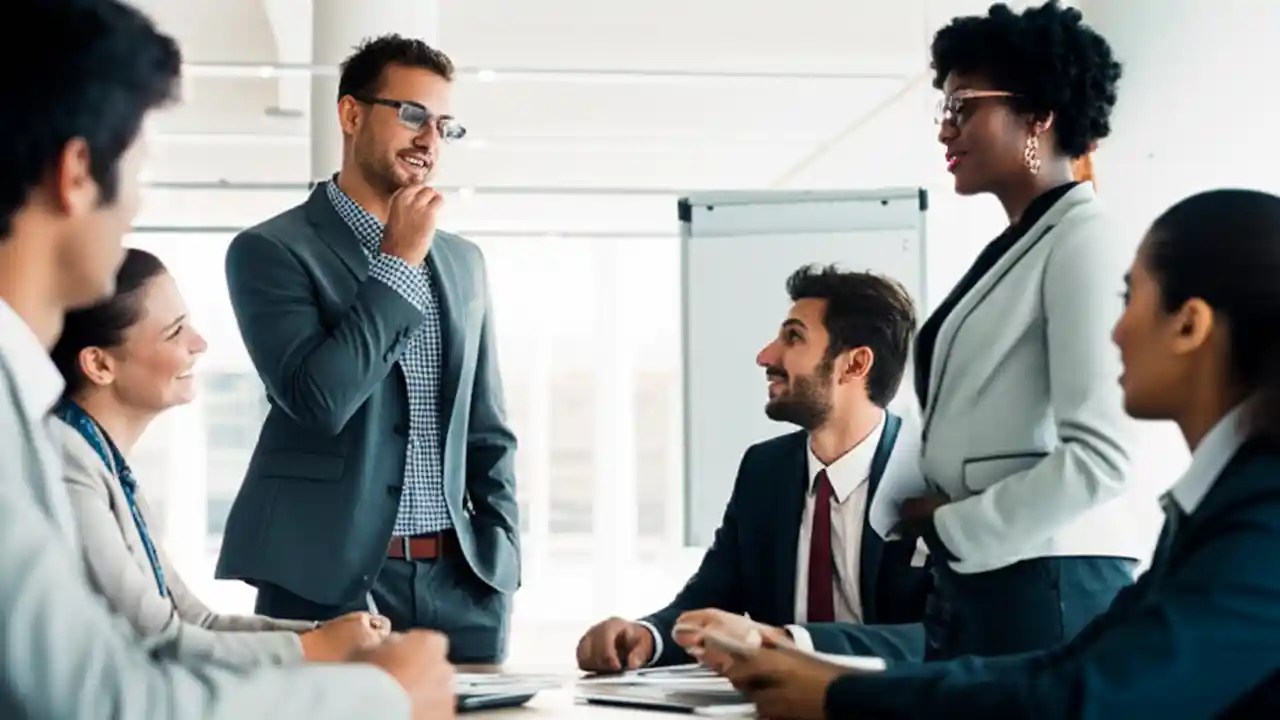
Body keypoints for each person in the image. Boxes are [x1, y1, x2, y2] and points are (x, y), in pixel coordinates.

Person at [0, 1, 453, 717]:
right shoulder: (24, 434)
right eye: (138, 168)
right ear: (77, 173)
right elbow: (106, 694)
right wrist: (377, 696)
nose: (136, 204)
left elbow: (153, 643)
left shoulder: (31, 416)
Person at [702, 188, 1280, 719]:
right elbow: (1066, 666)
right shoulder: (1216, 509)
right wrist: (832, 684)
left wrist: (837, 695)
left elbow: (1093, 696)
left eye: (1128, 299)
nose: (1113, 332)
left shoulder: (1263, 522)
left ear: (1190, 325)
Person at [214, 33, 518, 664]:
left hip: (462, 584)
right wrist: (398, 261)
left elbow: (486, 429)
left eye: (444, 126)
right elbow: (320, 400)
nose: (429, 139)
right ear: (351, 115)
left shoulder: (464, 261)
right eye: (411, 114)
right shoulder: (271, 251)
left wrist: (501, 554)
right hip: (325, 583)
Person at [895, 0, 1155, 659]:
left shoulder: (1083, 241)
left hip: (1047, 576)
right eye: (944, 109)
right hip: (997, 572)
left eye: (963, 106)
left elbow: (1103, 457)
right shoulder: (1023, 242)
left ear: (1038, 114)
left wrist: (952, 527)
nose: (946, 129)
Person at [49, 248, 394, 669]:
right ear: (99, 364)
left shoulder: (104, 462)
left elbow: (196, 621)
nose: (199, 343)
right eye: (175, 332)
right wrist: (316, 648)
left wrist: (328, 635)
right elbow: (157, 641)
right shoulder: (67, 464)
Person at [577, 266, 930, 671]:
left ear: (854, 365)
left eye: (793, 338)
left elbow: (951, 635)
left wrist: (788, 642)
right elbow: (711, 600)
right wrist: (646, 637)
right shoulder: (764, 470)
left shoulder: (930, 475)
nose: (766, 356)